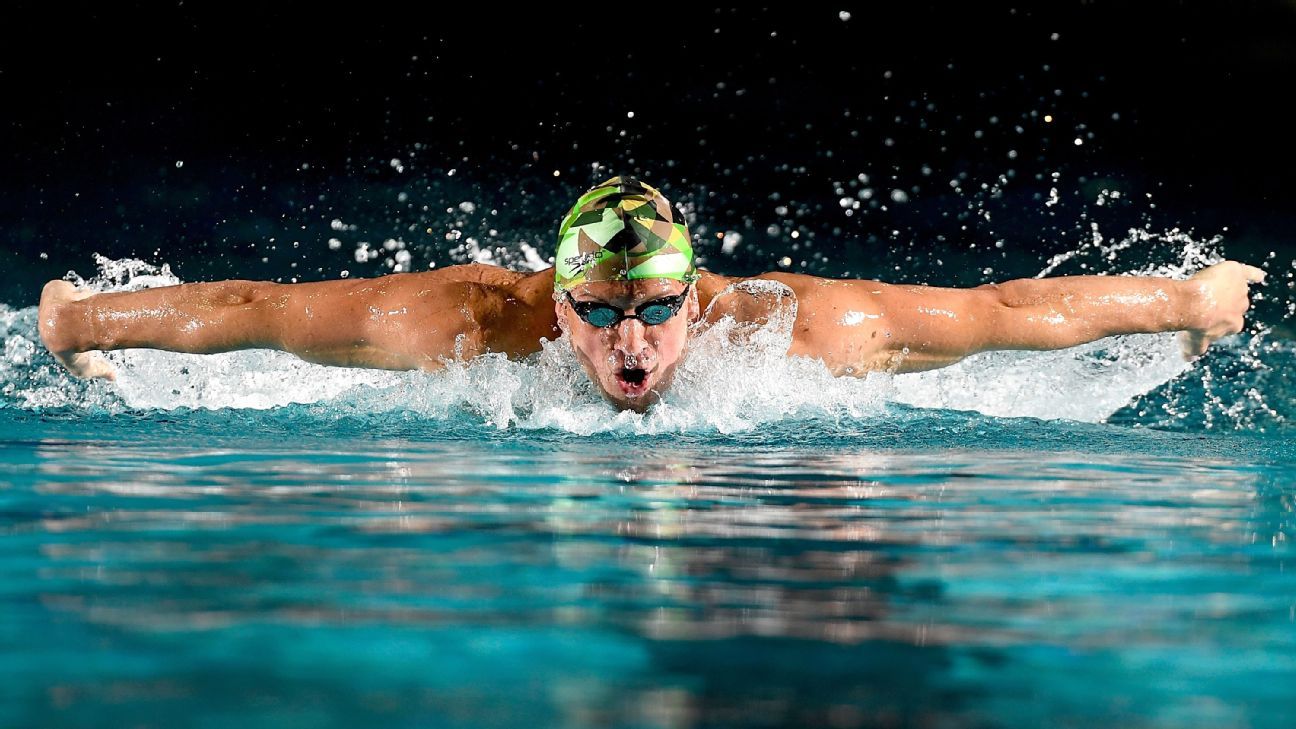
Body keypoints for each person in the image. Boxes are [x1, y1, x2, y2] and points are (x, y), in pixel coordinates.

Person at [38, 176, 1266, 412]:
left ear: (697, 297)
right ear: (553, 303)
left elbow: (1004, 313)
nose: (631, 343)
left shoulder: (796, 331)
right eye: (602, 313)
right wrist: (80, 322)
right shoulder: (463, 322)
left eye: (656, 312)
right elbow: (255, 310)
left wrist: (1187, 297)